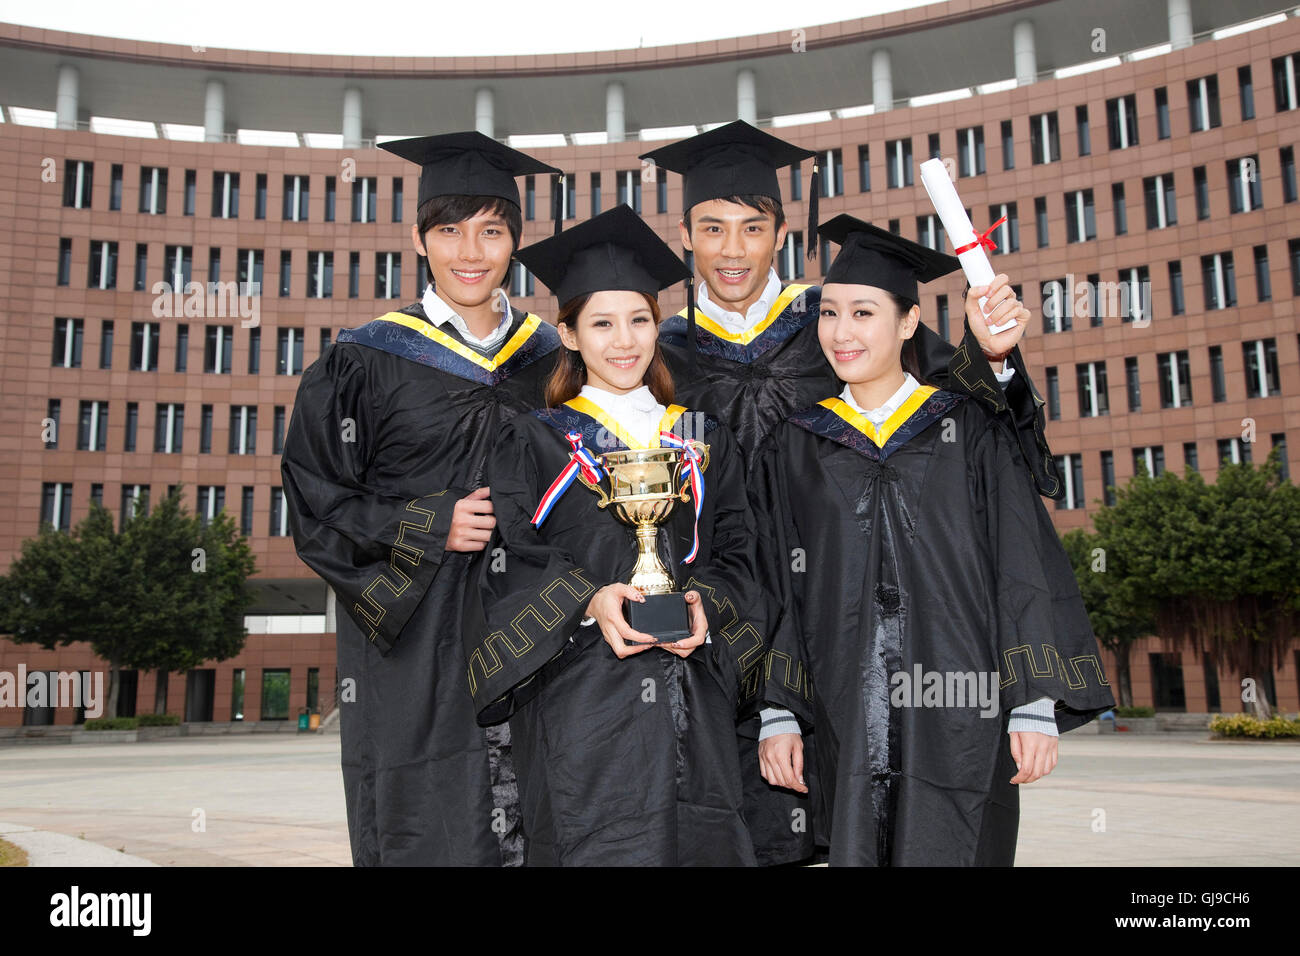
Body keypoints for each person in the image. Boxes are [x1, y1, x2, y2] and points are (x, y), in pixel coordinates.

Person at [638, 120, 1049, 865]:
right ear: (684, 235)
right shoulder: (652, 351)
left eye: (753, 228)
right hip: (704, 646)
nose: (734, 250)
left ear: (782, 233)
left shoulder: (832, 318)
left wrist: (996, 358)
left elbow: (943, 425)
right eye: (713, 228)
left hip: (847, 659)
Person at [752, 215, 1115, 865]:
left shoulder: (967, 430)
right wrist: (780, 712)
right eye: (829, 314)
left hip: (965, 715)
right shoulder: (797, 444)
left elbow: (1019, 563)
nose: (841, 331)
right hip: (848, 716)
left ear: (909, 322)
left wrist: (1031, 702)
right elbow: (781, 584)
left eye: (864, 312)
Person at [280, 131, 563, 866]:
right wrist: (427, 523)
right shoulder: (365, 360)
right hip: (416, 645)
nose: (471, 252)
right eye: (449, 231)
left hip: (540, 633)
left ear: (515, 242)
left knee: (546, 811)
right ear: (418, 239)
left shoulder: (553, 360)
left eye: (491, 232)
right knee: (432, 825)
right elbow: (317, 504)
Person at [462, 204, 765, 866]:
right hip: (582, 704)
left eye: (638, 320)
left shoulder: (703, 436)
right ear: (567, 334)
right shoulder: (535, 439)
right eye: (601, 323)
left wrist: (704, 607)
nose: (623, 340)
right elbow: (508, 559)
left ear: (659, 326)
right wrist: (587, 599)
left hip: (695, 702)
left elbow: (743, 554)